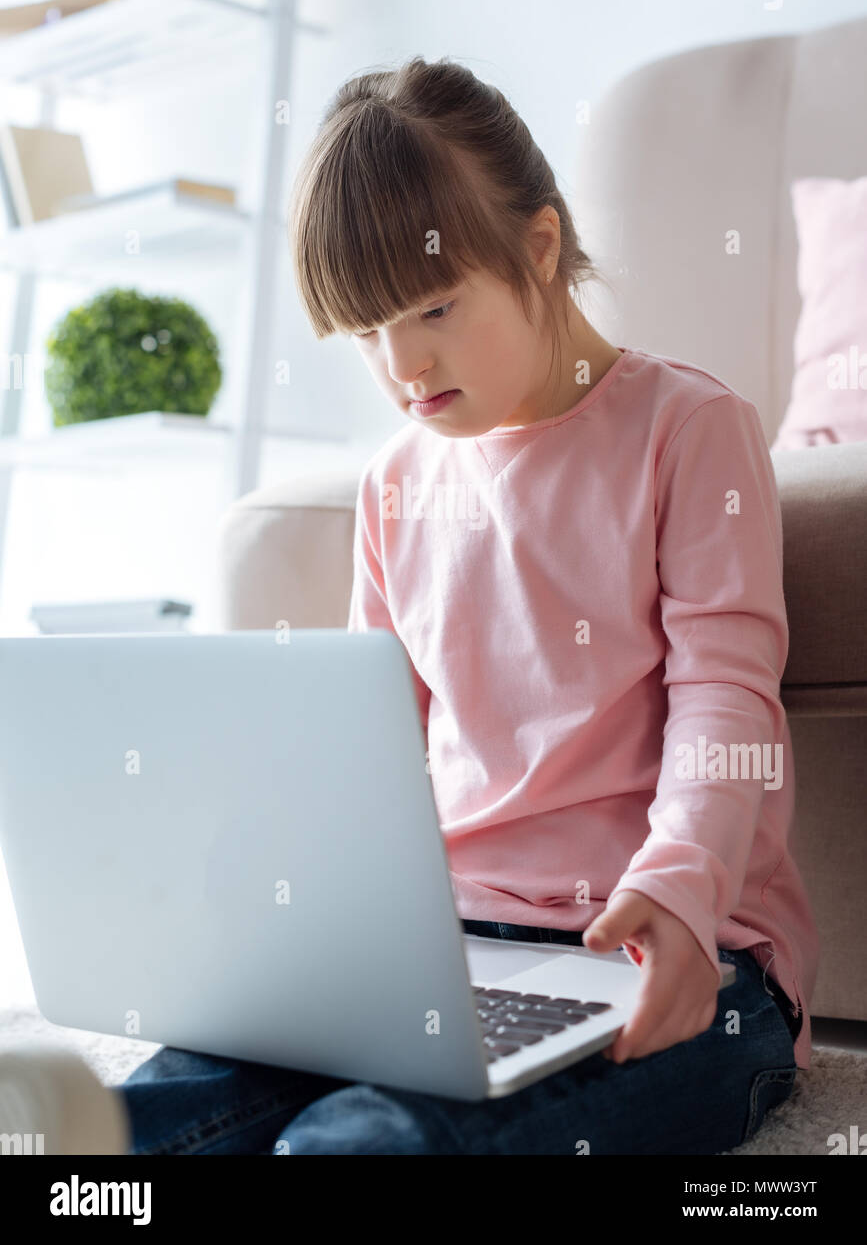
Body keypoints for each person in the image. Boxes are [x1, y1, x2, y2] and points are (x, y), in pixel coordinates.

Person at [0, 56, 818, 1155]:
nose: (403, 364)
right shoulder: (395, 482)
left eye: (434, 307)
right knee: (165, 1110)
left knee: (368, 1141)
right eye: (366, 329)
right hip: (443, 951)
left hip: (684, 960)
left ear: (539, 246)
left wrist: (679, 889)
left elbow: (726, 701)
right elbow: (368, 757)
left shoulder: (687, 428)